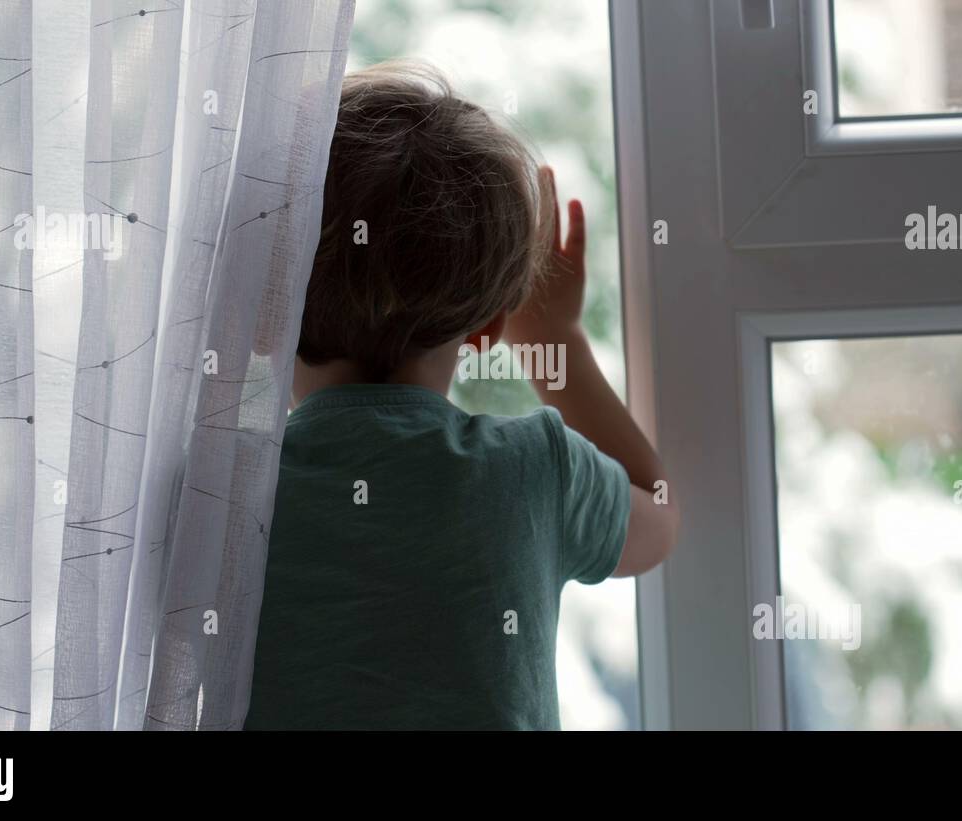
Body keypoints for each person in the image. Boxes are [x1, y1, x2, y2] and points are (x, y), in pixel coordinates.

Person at [245, 62, 678, 730]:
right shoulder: (534, 470)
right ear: (488, 329)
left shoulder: (223, 492)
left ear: (267, 306)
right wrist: (555, 339)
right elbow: (660, 518)